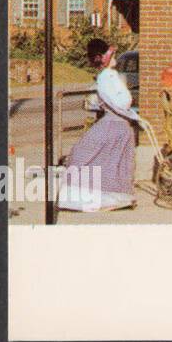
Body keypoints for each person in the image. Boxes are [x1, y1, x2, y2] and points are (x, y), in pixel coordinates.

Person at [60, 39, 137, 212]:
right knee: (99, 157)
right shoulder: (108, 77)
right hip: (117, 123)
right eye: (113, 54)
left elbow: (120, 101)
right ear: (104, 57)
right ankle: (109, 196)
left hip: (114, 123)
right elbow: (119, 100)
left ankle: (89, 197)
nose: (115, 57)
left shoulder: (108, 76)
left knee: (83, 153)